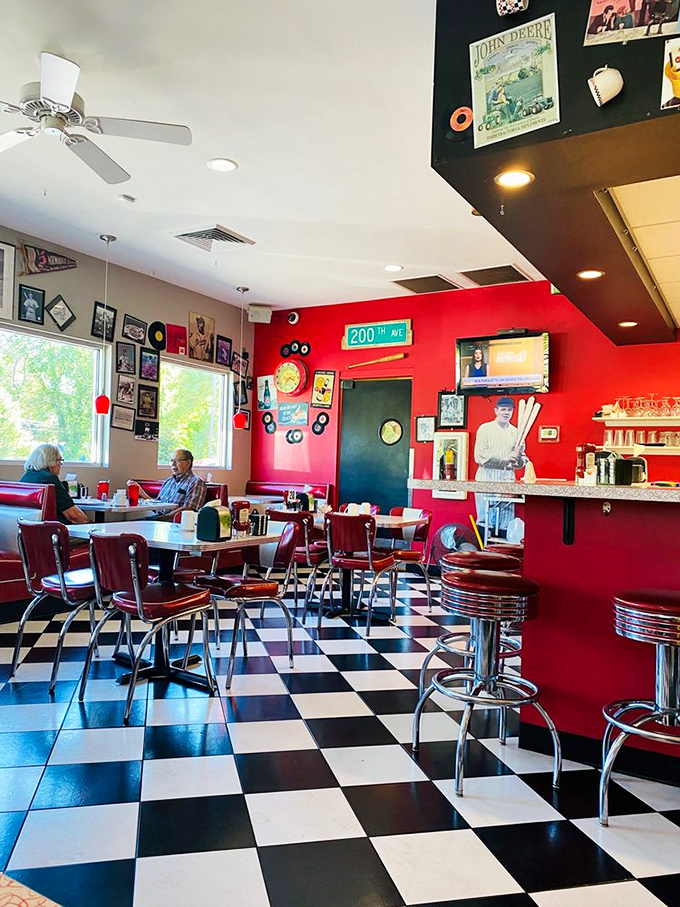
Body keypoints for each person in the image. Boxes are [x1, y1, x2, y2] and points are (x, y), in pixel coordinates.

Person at [474, 397, 527, 532]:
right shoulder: (485, 428)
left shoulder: (517, 432)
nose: (506, 413)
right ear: (496, 410)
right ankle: (484, 544)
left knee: (505, 519)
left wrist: (519, 459)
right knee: (486, 518)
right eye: (503, 409)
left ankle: (502, 544)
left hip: (507, 478)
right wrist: (505, 459)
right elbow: (480, 456)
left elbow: (521, 460)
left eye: (509, 410)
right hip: (487, 478)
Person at [127, 448, 206, 520]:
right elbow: (157, 506)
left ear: (188, 463)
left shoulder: (196, 482)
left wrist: (159, 518)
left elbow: (189, 509)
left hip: (175, 523)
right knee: (128, 524)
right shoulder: (168, 482)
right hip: (159, 520)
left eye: (177, 461)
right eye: (172, 461)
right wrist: (141, 492)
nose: (173, 464)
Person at [20, 444, 89, 524]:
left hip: (30, 527)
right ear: (51, 462)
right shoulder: (50, 479)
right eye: (60, 460)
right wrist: (93, 525)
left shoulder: (25, 478)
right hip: (57, 528)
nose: (60, 464)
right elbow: (74, 516)